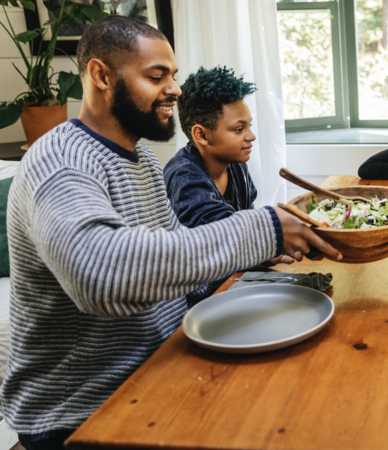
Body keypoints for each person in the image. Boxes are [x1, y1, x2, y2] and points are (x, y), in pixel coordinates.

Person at [1, 16, 340, 450]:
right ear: (101, 76)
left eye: (173, 76)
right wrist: (265, 229)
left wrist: (275, 251)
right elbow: (100, 275)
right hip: (81, 413)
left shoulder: (139, 159)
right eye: (156, 76)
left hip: (158, 370)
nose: (175, 89)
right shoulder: (61, 161)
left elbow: (177, 252)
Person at [163, 66, 293, 306]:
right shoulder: (183, 176)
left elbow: (245, 227)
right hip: (200, 301)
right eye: (238, 129)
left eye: (249, 126)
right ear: (201, 135)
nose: (251, 136)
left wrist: (265, 255)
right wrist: (272, 236)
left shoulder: (235, 165)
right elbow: (222, 231)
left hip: (233, 280)